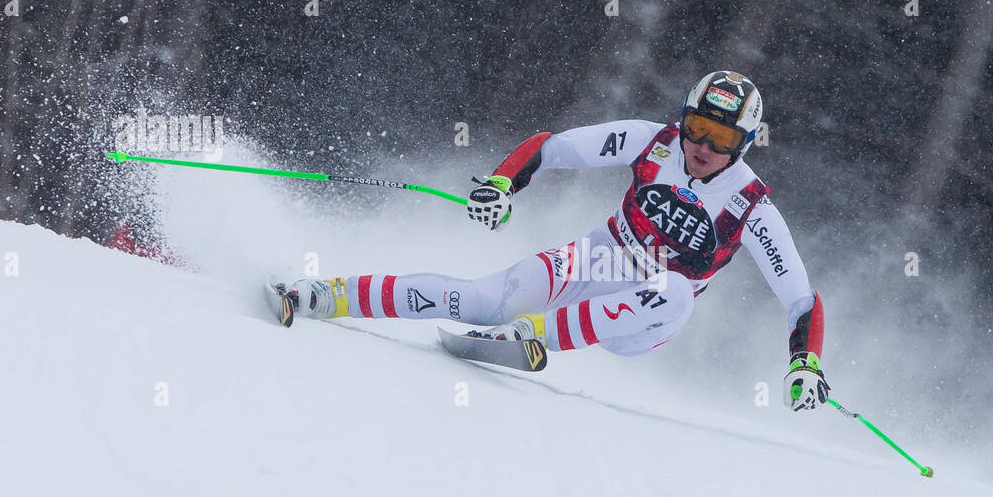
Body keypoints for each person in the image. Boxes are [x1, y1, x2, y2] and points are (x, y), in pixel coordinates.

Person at [286, 70, 830, 411]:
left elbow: (801, 300)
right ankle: (323, 295)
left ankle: (534, 335)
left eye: (723, 138)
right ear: (682, 120)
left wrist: (804, 365)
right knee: (478, 300)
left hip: (645, 315)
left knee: (678, 291)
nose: (703, 146)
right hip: (598, 255)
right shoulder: (651, 142)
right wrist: (503, 183)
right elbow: (552, 147)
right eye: (697, 128)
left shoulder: (752, 205)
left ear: (746, 143)